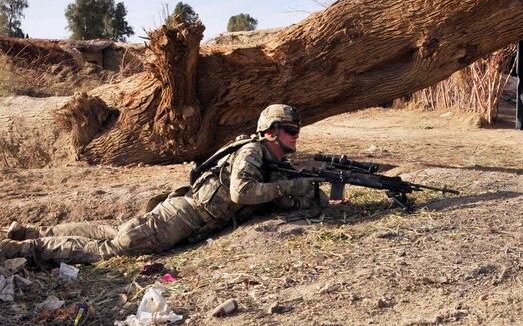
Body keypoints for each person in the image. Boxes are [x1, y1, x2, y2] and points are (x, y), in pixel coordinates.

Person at [1, 104, 326, 266]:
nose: (295, 136)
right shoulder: (253, 151)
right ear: (271, 131)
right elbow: (242, 192)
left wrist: (308, 190)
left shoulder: (269, 161)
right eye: (290, 130)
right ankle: (25, 249)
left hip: (180, 213)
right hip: (179, 219)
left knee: (110, 231)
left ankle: (32, 233)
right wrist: (290, 187)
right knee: (110, 248)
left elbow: (280, 200)